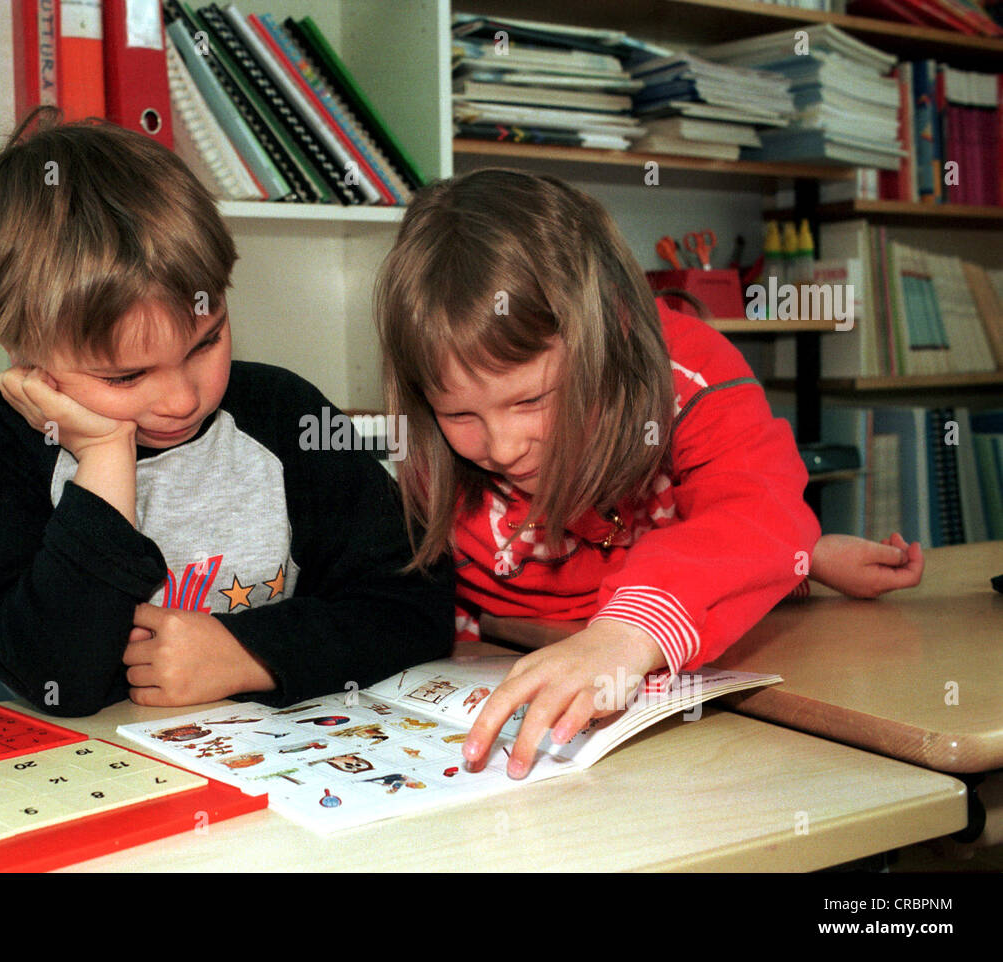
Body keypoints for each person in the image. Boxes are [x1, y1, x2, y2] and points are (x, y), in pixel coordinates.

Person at [374, 168, 922, 779]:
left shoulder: (687, 370)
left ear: (610, 336)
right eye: (459, 413)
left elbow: (752, 505)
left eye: (531, 401)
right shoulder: (433, 445)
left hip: (646, 644)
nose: (501, 447)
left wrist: (628, 635)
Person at [0, 109, 453, 717]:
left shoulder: (287, 412)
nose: (182, 400)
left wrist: (246, 653)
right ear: (23, 356)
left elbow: (417, 607)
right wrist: (102, 461)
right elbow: (57, 678)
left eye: (206, 342)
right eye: (124, 375)